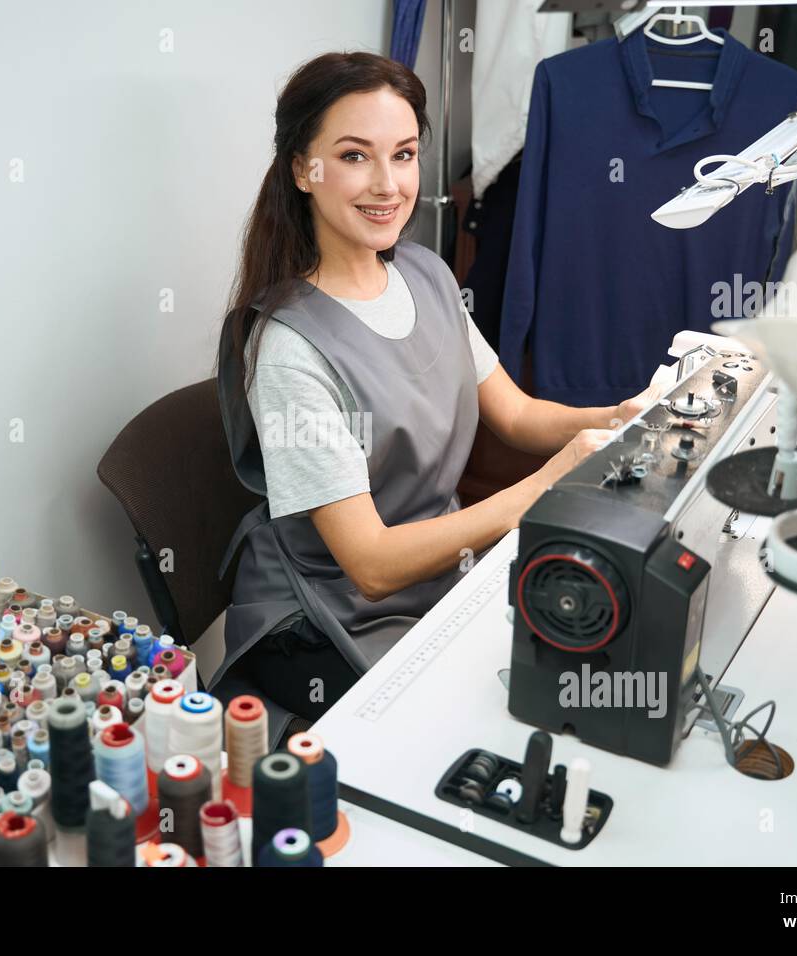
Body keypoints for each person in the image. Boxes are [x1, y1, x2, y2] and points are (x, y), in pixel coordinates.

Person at [212, 52, 656, 735]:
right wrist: (542, 489)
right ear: (305, 169)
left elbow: (517, 413)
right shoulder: (289, 349)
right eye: (356, 156)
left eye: (405, 153)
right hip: (329, 616)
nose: (388, 185)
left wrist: (621, 417)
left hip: (439, 576)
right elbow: (370, 564)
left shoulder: (425, 274)